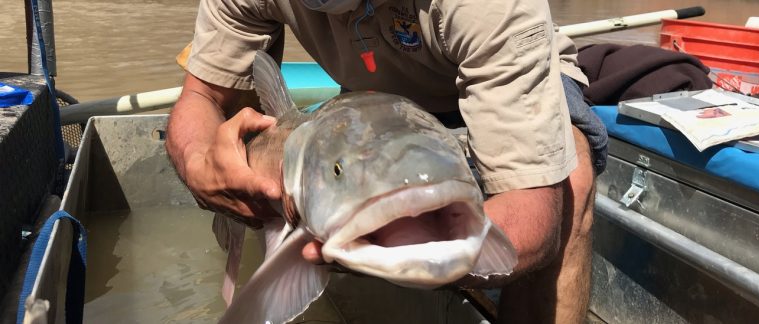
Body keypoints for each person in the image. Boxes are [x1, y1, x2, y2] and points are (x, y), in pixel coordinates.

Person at [165, 0, 608, 323]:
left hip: (497, 77)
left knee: (572, 175)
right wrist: (200, 166)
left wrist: (413, 251)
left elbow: (533, 210)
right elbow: (201, 96)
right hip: (369, 98)